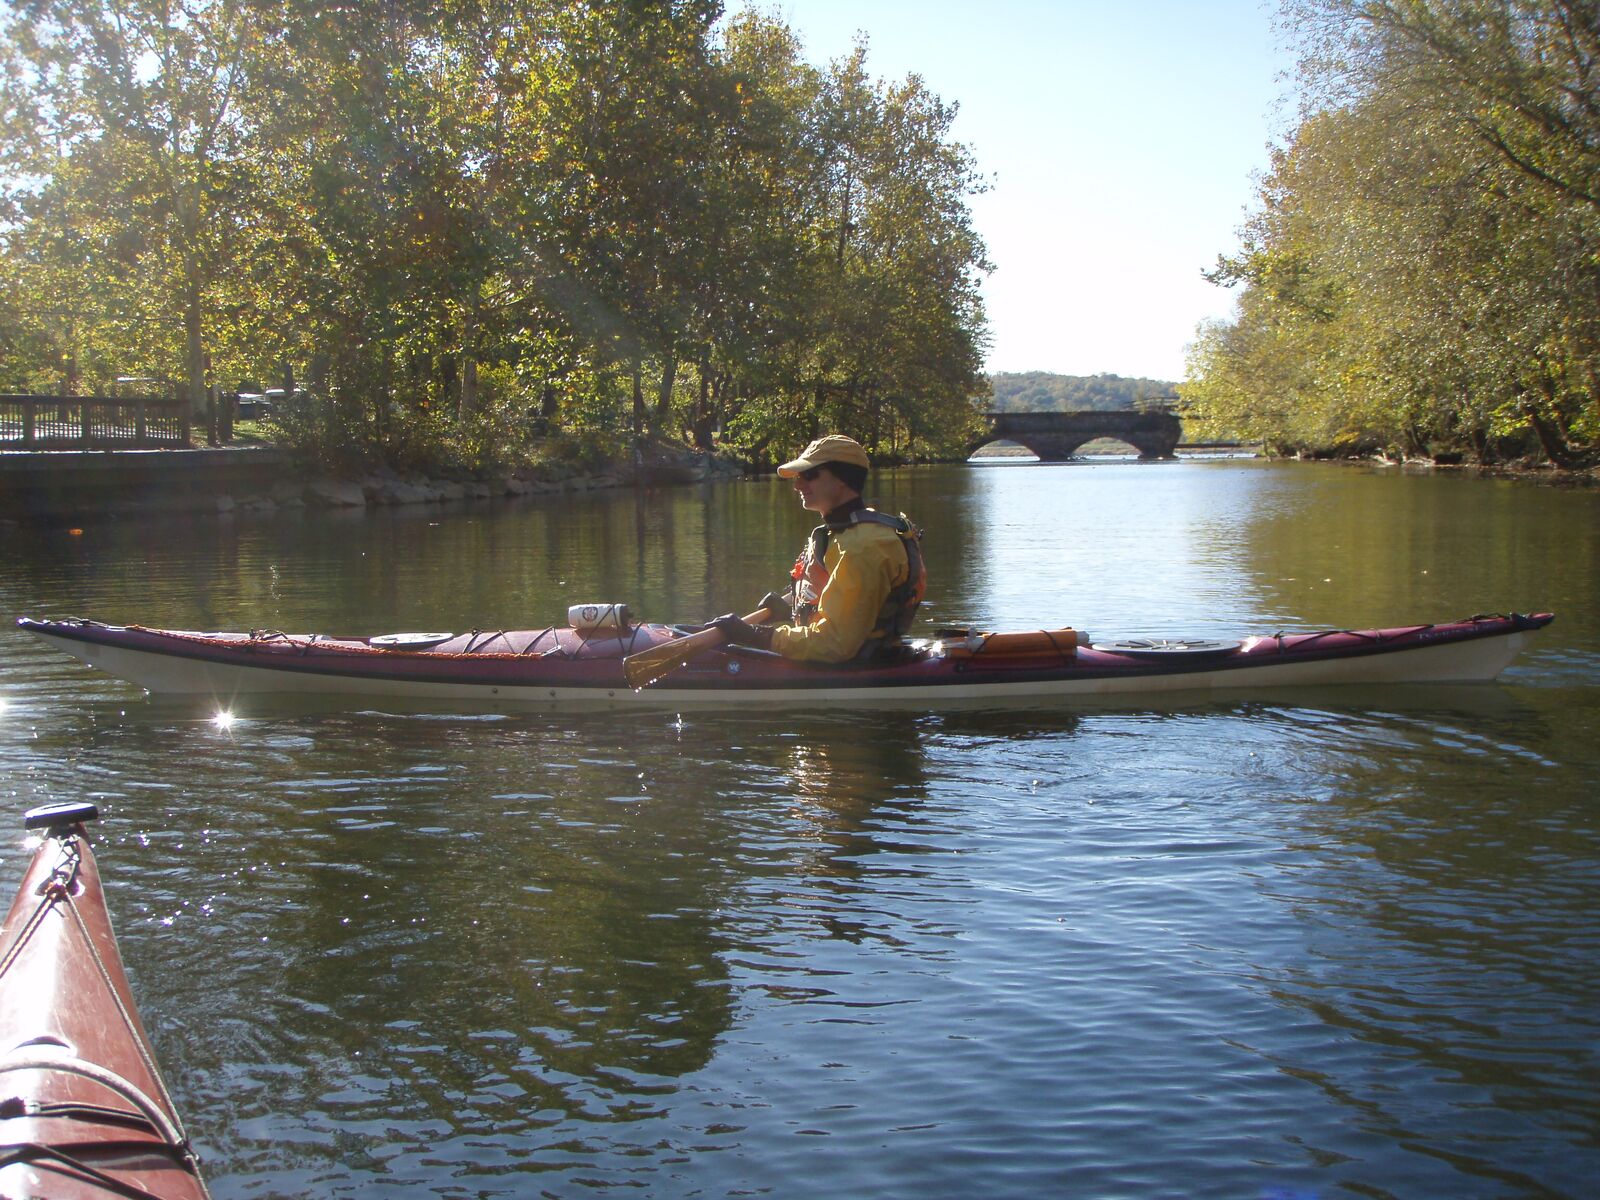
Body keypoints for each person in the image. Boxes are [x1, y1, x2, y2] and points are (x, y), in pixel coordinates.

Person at [711, 434, 925, 662]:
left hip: (856, 664)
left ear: (842, 479)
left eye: (809, 476)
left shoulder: (863, 546)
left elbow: (834, 643)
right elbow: (835, 595)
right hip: (845, 654)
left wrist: (758, 636)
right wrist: (790, 606)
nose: (797, 485)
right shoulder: (844, 531)